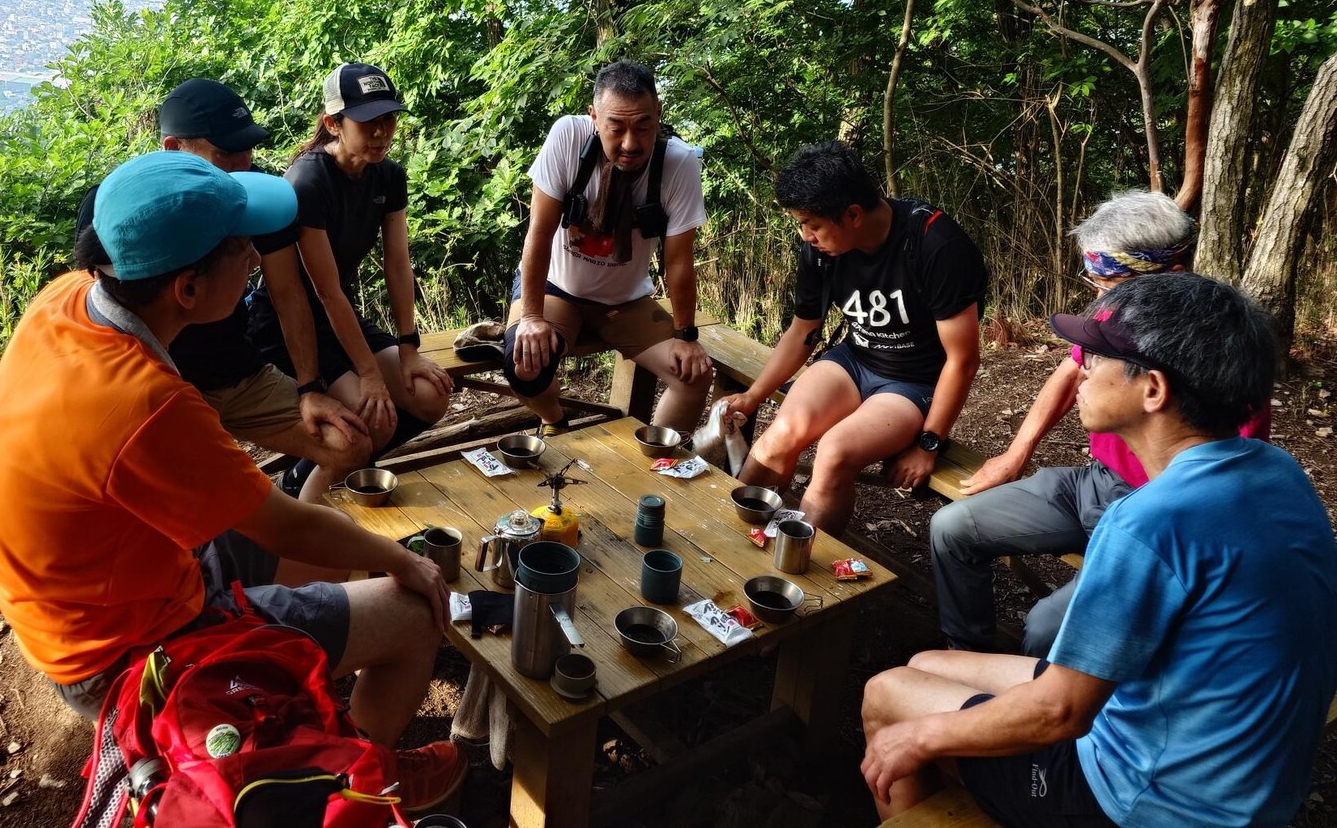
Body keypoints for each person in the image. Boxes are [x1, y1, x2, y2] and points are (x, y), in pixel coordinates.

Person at [0, 150, 465, 811]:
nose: (257, 259)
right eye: (241, 248)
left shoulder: (66, 300)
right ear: (188, 289)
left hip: (70, 604)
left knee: (324, 541)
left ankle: (306, 720)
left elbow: (271, 517)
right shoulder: (144, 404)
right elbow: (284, 521)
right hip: (122, 651)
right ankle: (339, 787)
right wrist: (407, 562)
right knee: (412, 612)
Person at [860, 274, 1337, 827]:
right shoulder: (1278, 472)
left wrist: (917, 737)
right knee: (927, 665)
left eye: (1098, 357)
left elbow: (1061, 711)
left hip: (1152, 804)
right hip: (1248, 778)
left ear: (1153, 389)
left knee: (888, 698)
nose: (1079, 368)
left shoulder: (1150, 522)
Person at [930, 190, 1271, 655]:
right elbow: (1071, 370)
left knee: (1049, 627)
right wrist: (1016, 453)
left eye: (1110, 284)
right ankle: (967, 658)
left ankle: (1051, 715)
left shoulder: (1220, 351)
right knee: (953, 528)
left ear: (1172, 275)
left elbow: (1217, 492)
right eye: (1094, 283)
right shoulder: (1121, 310)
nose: (1099, 298)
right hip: (1095, 482)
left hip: (1162, 512)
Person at [76, 78, 373, 511]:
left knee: (349, 443)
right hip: (155, 388)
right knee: (208, 501)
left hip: (236, 374)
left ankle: (305, 535)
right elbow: (104, 315)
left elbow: (288, 294)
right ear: (173, 147)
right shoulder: (119, 209)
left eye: (247, 146)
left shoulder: (252, 194)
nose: (242, 162)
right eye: (224, 152)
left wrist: (310, 386)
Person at [721, 142, 986, 533]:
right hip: (855, 360)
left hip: (914, 383)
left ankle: (804, 574)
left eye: (812, 225)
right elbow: (803, 330)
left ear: (853, 215)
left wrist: (929, 444)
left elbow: (962, 359)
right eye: (800, 224)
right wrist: (754, 395)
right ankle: (727, 541)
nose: (806, 235)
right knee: (780, 436)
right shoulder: (821, 249)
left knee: (834, 452)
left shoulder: (935, 244)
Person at [248, 63, 452, 460]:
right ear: (334, 123)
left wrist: (408, 346)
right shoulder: (308, 182)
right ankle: (312, 474)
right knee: (374, 419)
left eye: (389, 118)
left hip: (342, 315)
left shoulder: (388, 176)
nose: (381, 132)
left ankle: (350, 462)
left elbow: (397, 263)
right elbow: (324, 292)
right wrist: (371, 375)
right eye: (367, 121)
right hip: (292, 325)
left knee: (430, 397)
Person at [502, 60, 712, 436]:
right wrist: (532, 317)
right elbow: (539, 232)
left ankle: (651, 459)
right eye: (616, 128)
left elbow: (679, 262)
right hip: (557, 288)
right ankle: (555, 421)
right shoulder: (567, 138)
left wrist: (686, 337)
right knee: (524, 364)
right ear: (594, 117)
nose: (630, 143)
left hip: (625, 301)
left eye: (643, 126)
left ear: (659, 115)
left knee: (694, 376)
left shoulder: (678, 163)